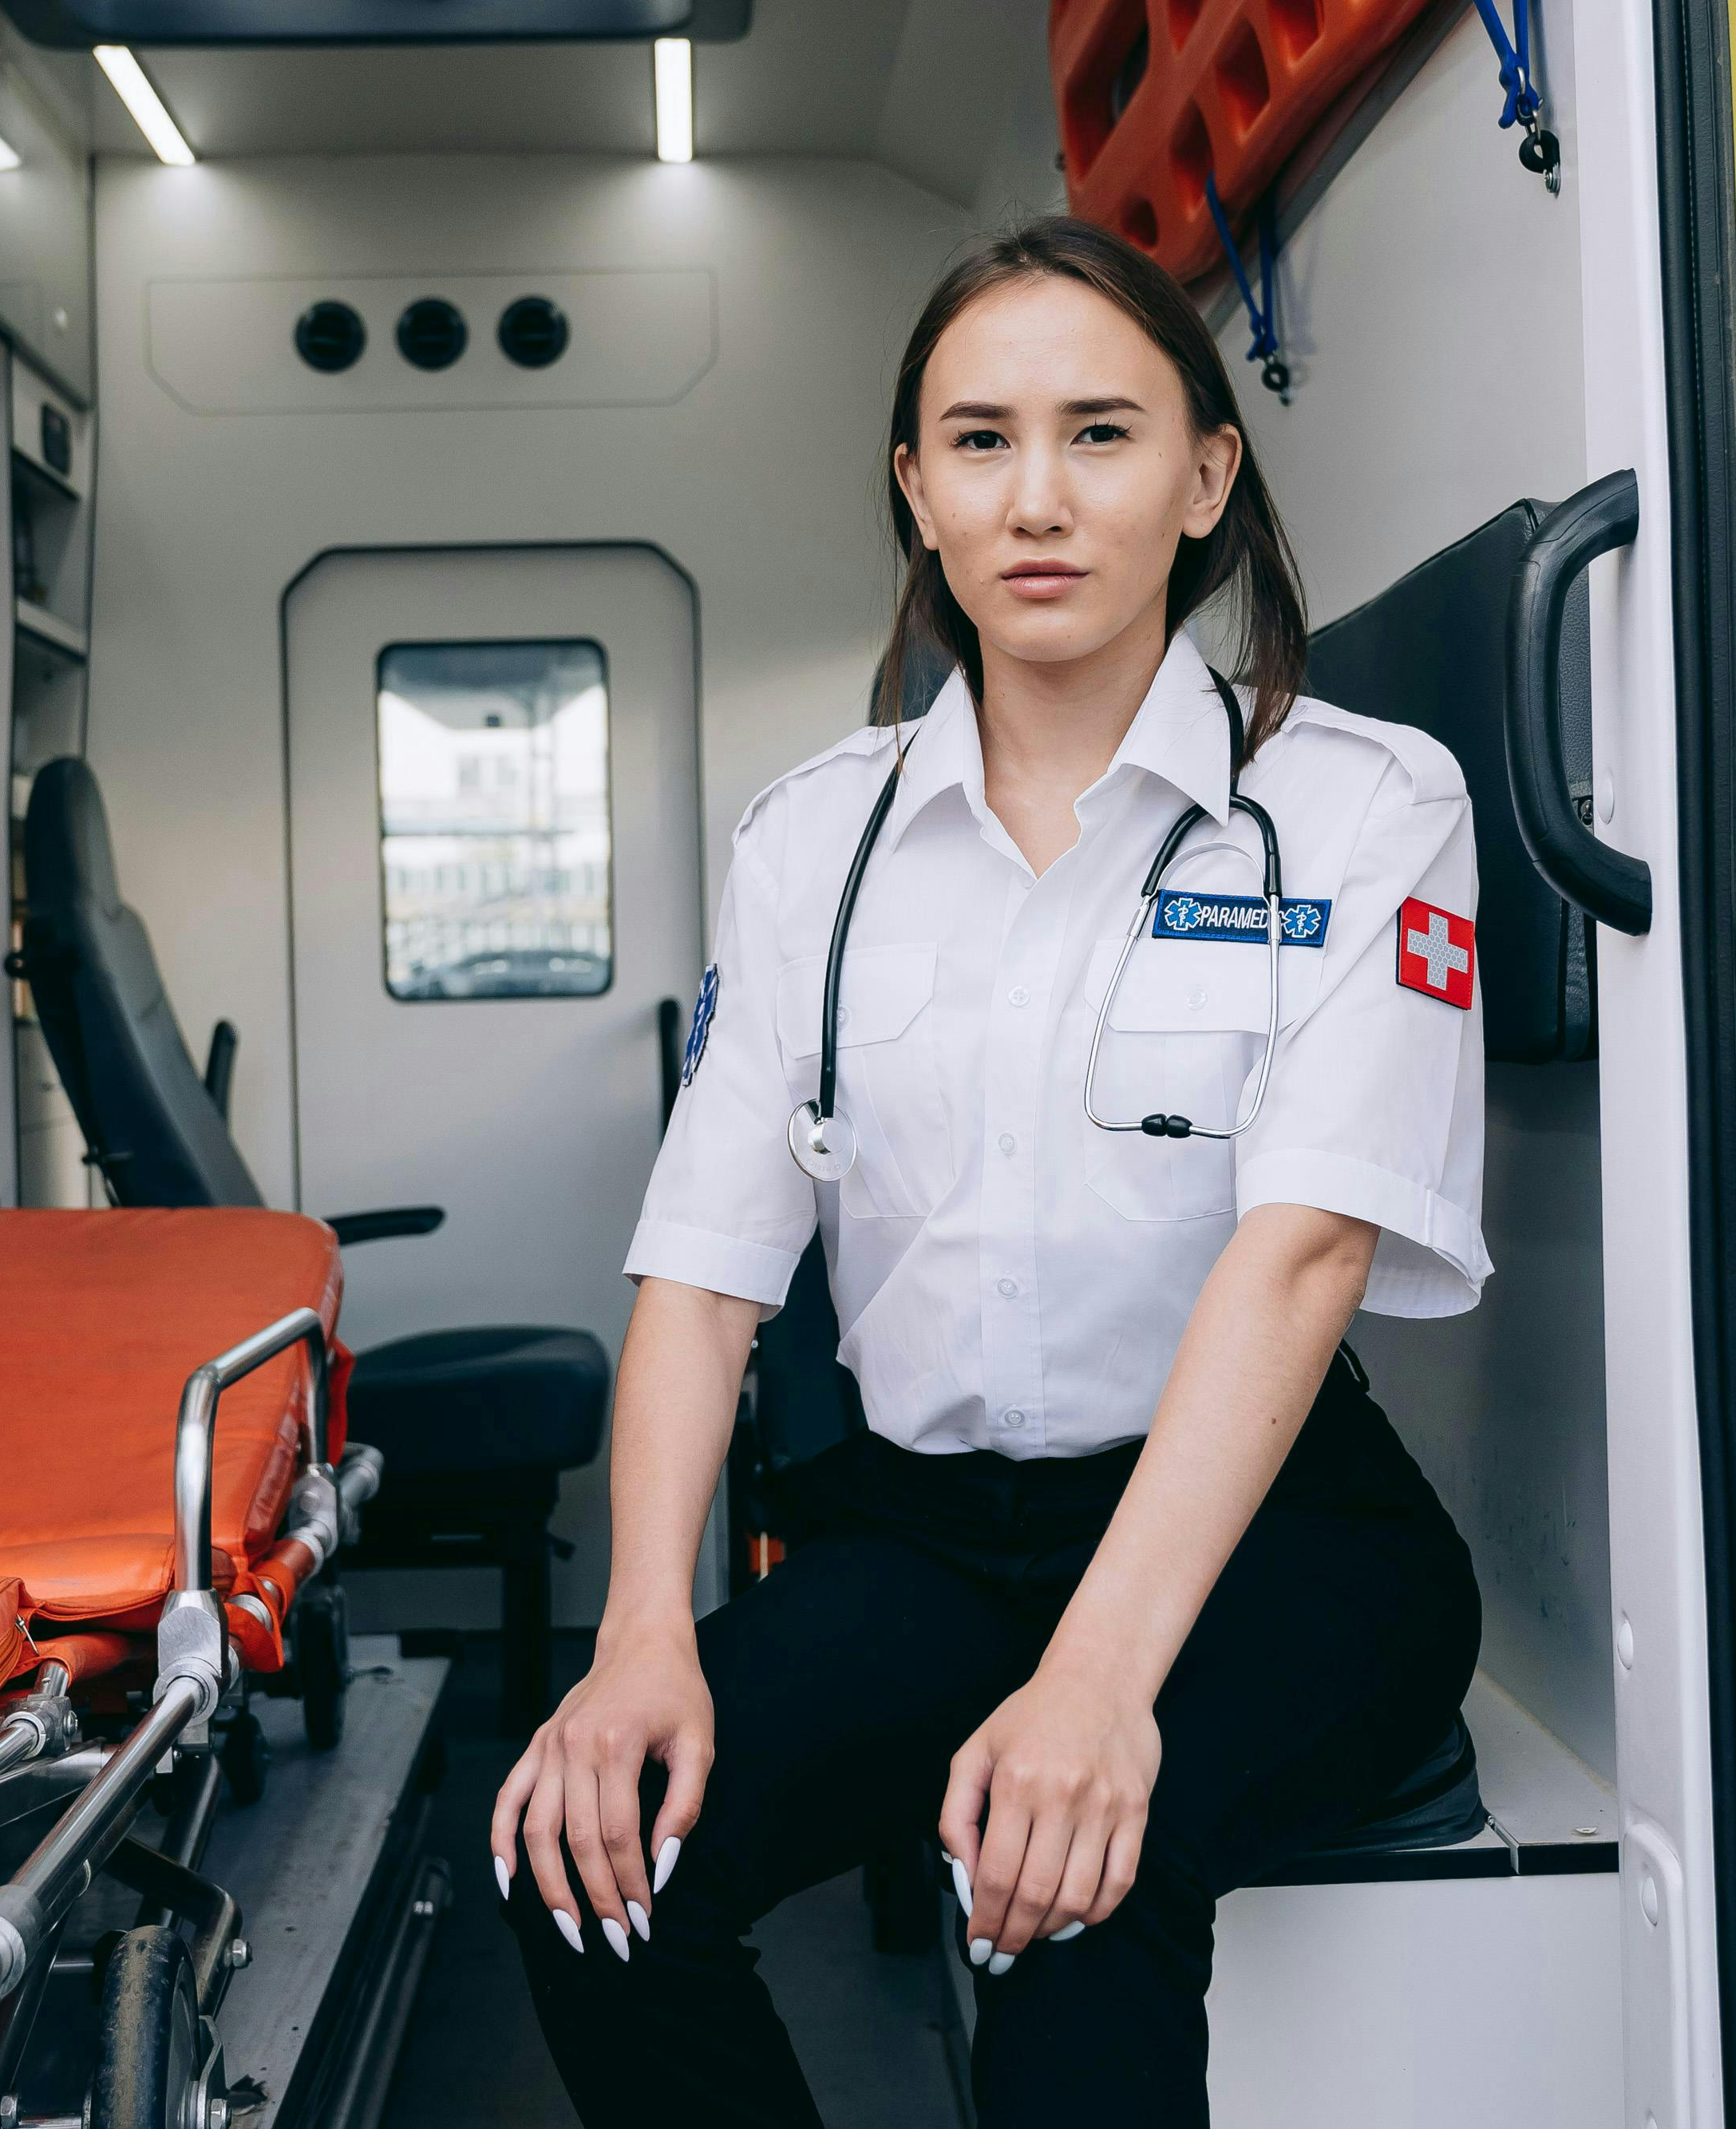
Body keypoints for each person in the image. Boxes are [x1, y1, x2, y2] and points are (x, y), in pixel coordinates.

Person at [490, 216, 1488, 2127]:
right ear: (914, 491)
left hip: (1271, 1538)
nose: (1036, 497)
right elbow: (700, 1277)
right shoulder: (811, 843)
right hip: (931, 1538)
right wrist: (636, 1641)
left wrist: (1100, 1680)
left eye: (1099, 433)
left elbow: (1299, 1252)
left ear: (1203, 476)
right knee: (582, 1858)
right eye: (978, 441)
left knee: (1073, 1880)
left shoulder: (1359, 803)